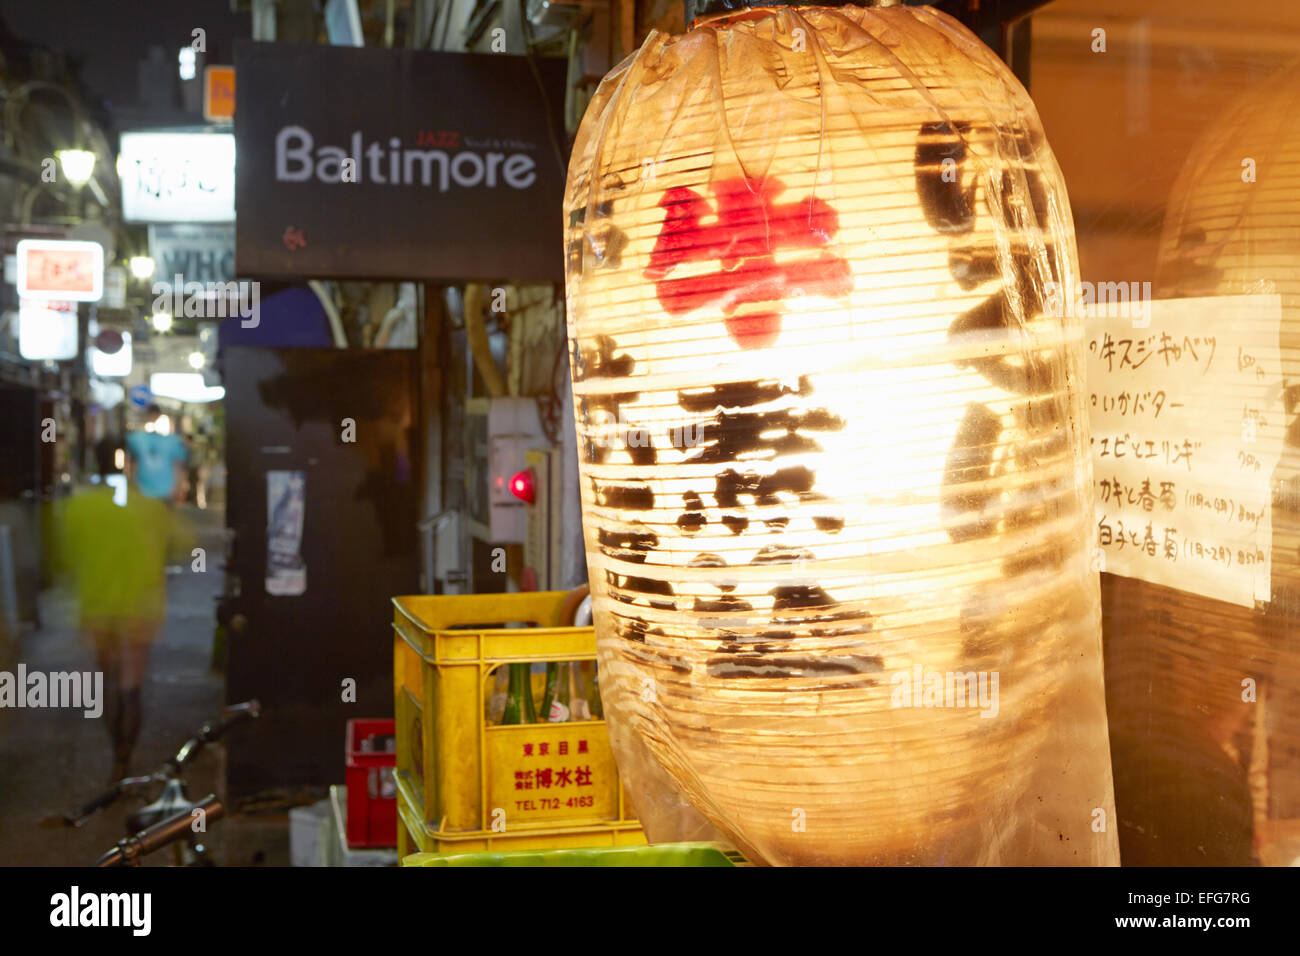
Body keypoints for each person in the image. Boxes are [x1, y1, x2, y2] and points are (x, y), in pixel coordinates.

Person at [57, 437, 194, 780]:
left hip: (98, 605)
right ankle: (124, 760)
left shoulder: (79, 506)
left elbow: (64, 556)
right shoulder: (149, 507)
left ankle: (114, 750)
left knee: (108, 681)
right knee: (131, 683)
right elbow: (183, 546)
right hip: (140, 606)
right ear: (130, 464)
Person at [125, 404, 188, 504]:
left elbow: (178, 467)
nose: (153, 418)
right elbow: (131, 466)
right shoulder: (136, 439)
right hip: (143, 493)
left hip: (166, 493)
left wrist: (178, 489)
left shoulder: (172, 441)